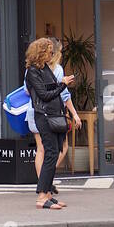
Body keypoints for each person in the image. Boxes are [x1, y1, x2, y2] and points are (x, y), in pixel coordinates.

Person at [27, 38, 81, 205]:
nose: (52, 55)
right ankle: (42, 196)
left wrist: (61, 83)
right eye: (49, 51)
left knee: (56, 151)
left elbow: (51, 87)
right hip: (44, 116)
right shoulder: (33, 71)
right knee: (50, 153)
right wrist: (62, 85)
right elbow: (44, 94)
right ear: (41, 53)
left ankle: (48, 193)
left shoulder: (45, 69)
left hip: (53, 116)